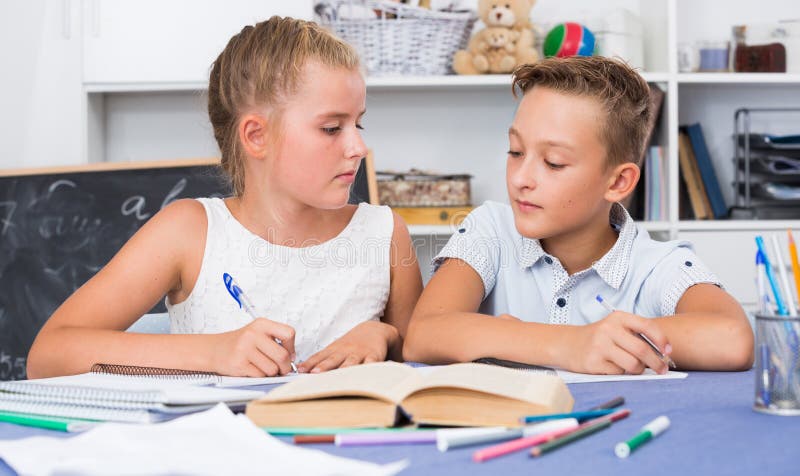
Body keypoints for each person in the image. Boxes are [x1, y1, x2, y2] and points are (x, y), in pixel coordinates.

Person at [27, 16, 423, 378]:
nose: (358, 146)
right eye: (333, 128)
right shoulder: (188, 232)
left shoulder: (384, 235)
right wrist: (212, 352)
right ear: (256, 136)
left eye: (359, 123)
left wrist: (383, 336)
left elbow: (425, 367)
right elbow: (48, 355)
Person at [403, 56, 753, 374]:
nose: (521, 179)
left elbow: (732, 337)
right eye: (515, 151)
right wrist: (570, 343)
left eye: (553, 163)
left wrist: (604, 341)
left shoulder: (657, 266)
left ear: (617, 181)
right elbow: (425, 333)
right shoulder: (490, 231)